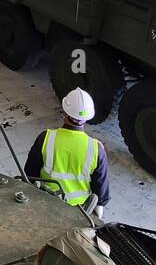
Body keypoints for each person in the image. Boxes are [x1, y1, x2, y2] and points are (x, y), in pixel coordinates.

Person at [24, 88, 110, 217]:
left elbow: (29, 174)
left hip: (46, 205)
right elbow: (101, 193)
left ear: (65, 112)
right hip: (79, 212)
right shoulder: (96, 149)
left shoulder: (45, 138)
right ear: (87, 118)